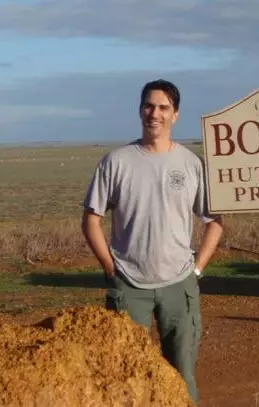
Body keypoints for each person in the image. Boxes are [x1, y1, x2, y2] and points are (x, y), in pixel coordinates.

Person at [81, 78, 224, 403]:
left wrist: (197, 269)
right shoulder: (116, 162)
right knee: (125, 375)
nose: (154, 113)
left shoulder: (190, 164)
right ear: (140, 110)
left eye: (163, 107)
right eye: (148, 106)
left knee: (181, 375)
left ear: (175, 114)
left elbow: (215, 222)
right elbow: (91, 220)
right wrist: (109, 267)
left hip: (179, 285)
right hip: (129, 286)